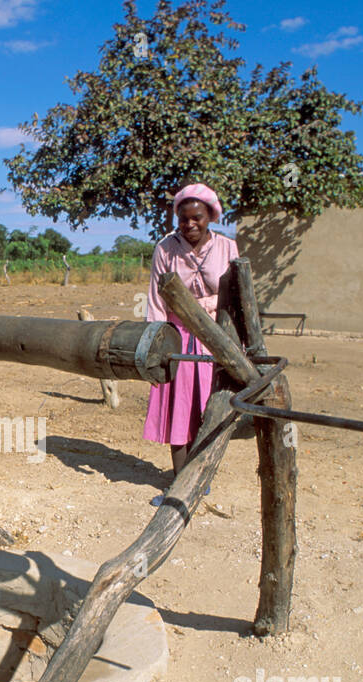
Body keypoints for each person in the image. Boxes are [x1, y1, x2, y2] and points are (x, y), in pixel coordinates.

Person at [143, 182, 240, 494]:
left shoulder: (227, 248)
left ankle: (201, 477)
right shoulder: (166, 249)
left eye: (197, 217)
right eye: (183, 218)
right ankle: (179, 481)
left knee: (209, 408)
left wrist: (233, 338)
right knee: (178, 408)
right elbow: (157, 301)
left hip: (216, 336)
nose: (190, 224)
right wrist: (156, 345)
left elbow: (236, 294)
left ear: (210, 216)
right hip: (179, 334)